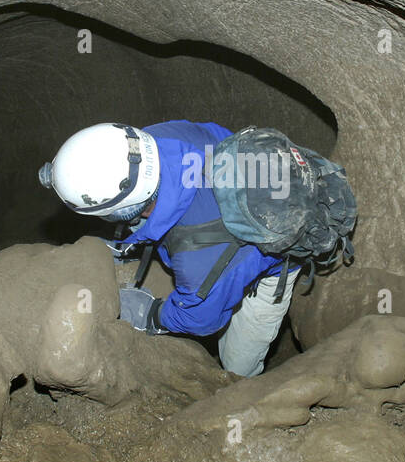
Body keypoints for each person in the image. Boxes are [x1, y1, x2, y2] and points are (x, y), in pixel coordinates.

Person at [38, 120, 301, 377]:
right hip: (237, 192)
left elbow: (202, 320)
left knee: (237, 365)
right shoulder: (155, 138)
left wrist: (153, 315)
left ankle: (244, 389)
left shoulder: (197, 262)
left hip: (272, 249)